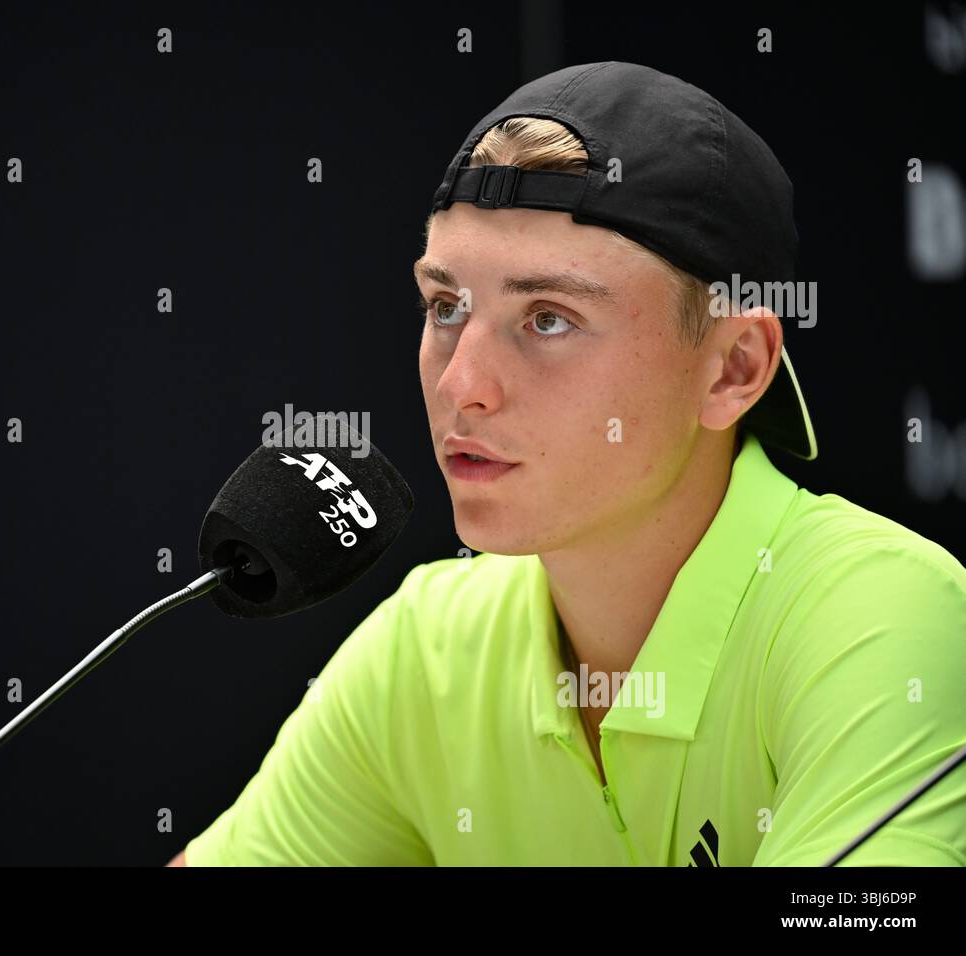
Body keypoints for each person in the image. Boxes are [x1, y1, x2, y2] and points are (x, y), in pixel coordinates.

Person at [168, 62, 966, 866]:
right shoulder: (427, 649)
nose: (461, 385)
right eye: (446, 308)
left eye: (549, 319)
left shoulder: (886, 616)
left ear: (732, 370)